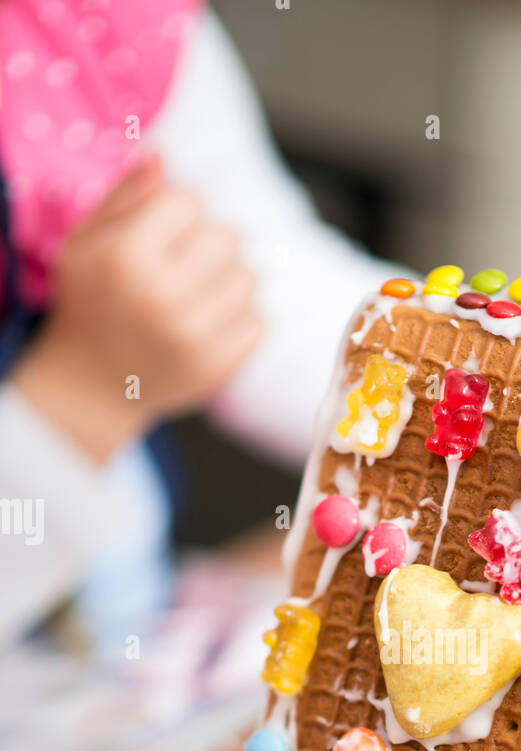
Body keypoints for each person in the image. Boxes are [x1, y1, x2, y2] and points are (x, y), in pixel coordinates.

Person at [0, 1, 393, 649]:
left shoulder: (96, 19)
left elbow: (253, 282)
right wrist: (86, 393)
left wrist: (503, 386)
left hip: (111, 653)